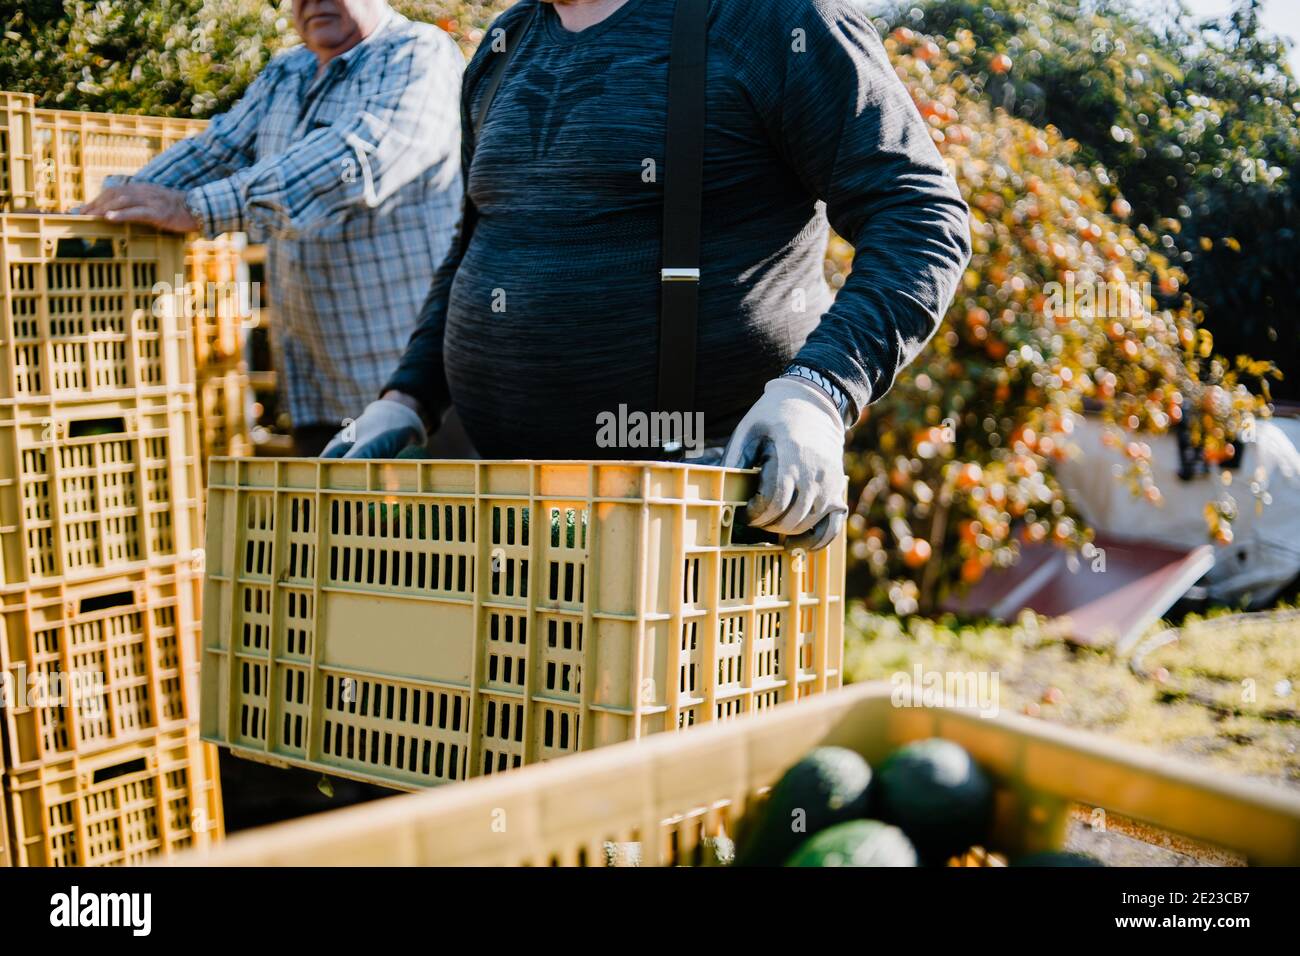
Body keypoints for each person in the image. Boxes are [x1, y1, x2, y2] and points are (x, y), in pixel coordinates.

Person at [324, 0, 972, 552]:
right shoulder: (506, 44)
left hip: (701, 525)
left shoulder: (768, 19)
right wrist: (406, 398)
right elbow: (478, 238)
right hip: (512, 518)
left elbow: (919, 216)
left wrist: (820, 390)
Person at [80, 0, 465, 456]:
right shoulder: (288, 73)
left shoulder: (418, 52)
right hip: (317, 391)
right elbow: (214, 152)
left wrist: (196, 208)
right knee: (332, 526)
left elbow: (357, 158)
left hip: (416, 396)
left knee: (435, 523)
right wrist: (107, 207)